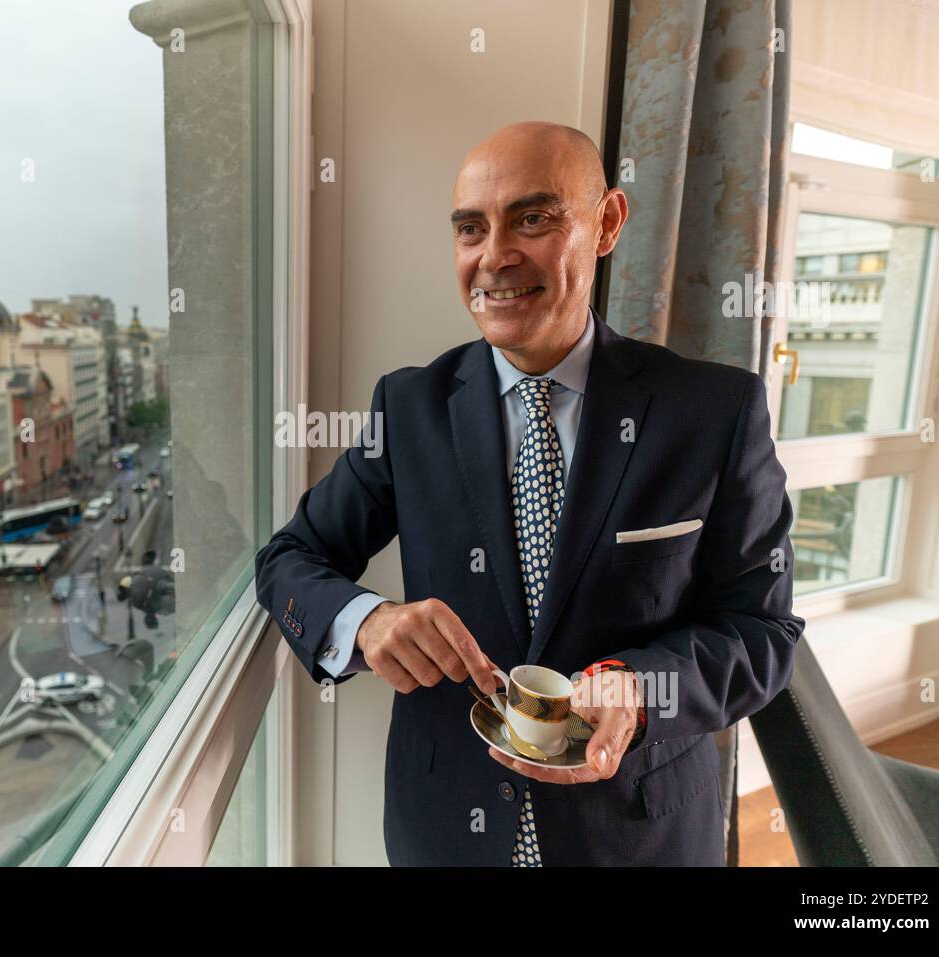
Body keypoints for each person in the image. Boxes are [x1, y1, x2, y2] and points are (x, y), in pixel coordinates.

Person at [255, 121, 803, 866]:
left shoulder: (716, 412)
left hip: (641, 835)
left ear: (607, 223)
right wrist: (365, 620)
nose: (495, 257)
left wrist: (642, 690)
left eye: (534, 218)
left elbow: (763, 633)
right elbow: (289, 558)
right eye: (471, 228)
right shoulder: (408, 408)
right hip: (444, 829)